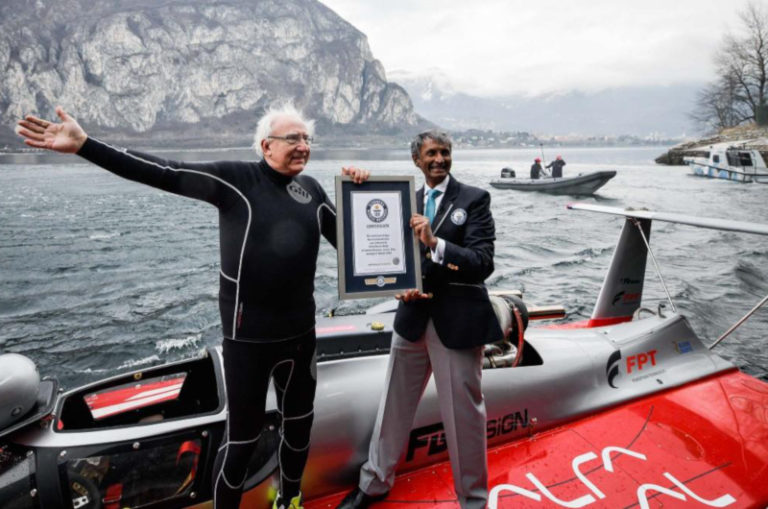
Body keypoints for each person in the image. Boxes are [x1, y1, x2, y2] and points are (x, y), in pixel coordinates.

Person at [16, 105, 369, 509]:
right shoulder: (236, 181)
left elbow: (355, 250)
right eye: (294, 139)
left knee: (300, 429)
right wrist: (85, 145)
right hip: (249, 342)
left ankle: (290, 500)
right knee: (241, 442)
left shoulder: (311, 190)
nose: (303, 146)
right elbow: (164, 171)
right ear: (266, 145)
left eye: (308, 139)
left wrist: (360, 193)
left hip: (301, 337)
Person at [337, 130, 502, 509]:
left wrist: (435, 243)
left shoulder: (474, 199)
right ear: (417, 160)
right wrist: (356, 186)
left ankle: (473, 500)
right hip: (411, 318)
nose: (439, 159)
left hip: (456, 323)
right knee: (393, 406)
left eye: (445, 152)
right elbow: (382, 253)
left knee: (465, 418)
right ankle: (374, 483)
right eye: (431, 153)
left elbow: (483, 263)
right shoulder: (401, 199)